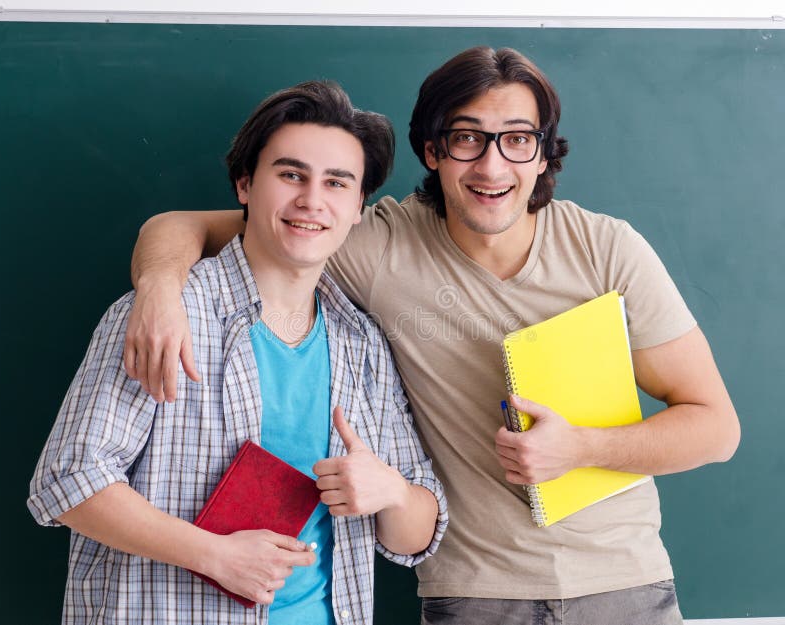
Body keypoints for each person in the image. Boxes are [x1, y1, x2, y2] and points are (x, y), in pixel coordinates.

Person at [125, 47, 739, 625]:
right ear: (432, 150)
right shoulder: (376, 242)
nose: (492, 165)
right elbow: (181, 226)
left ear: (545, 154)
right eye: (467, 138)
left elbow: (715, 428)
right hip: (472, 595)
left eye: (518, 140)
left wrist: (581, 449)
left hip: (624, 587)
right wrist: (157, 289)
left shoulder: (608, 251)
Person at [27, 80, 447, 625]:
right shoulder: (166, 315)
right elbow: (67, 481)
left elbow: (415, 535)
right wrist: (214, 556)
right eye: (291, 174)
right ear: (245, 185)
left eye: (337, 183)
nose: (312, 200)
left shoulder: (361, 344)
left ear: (358, 210)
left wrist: (390, 491)